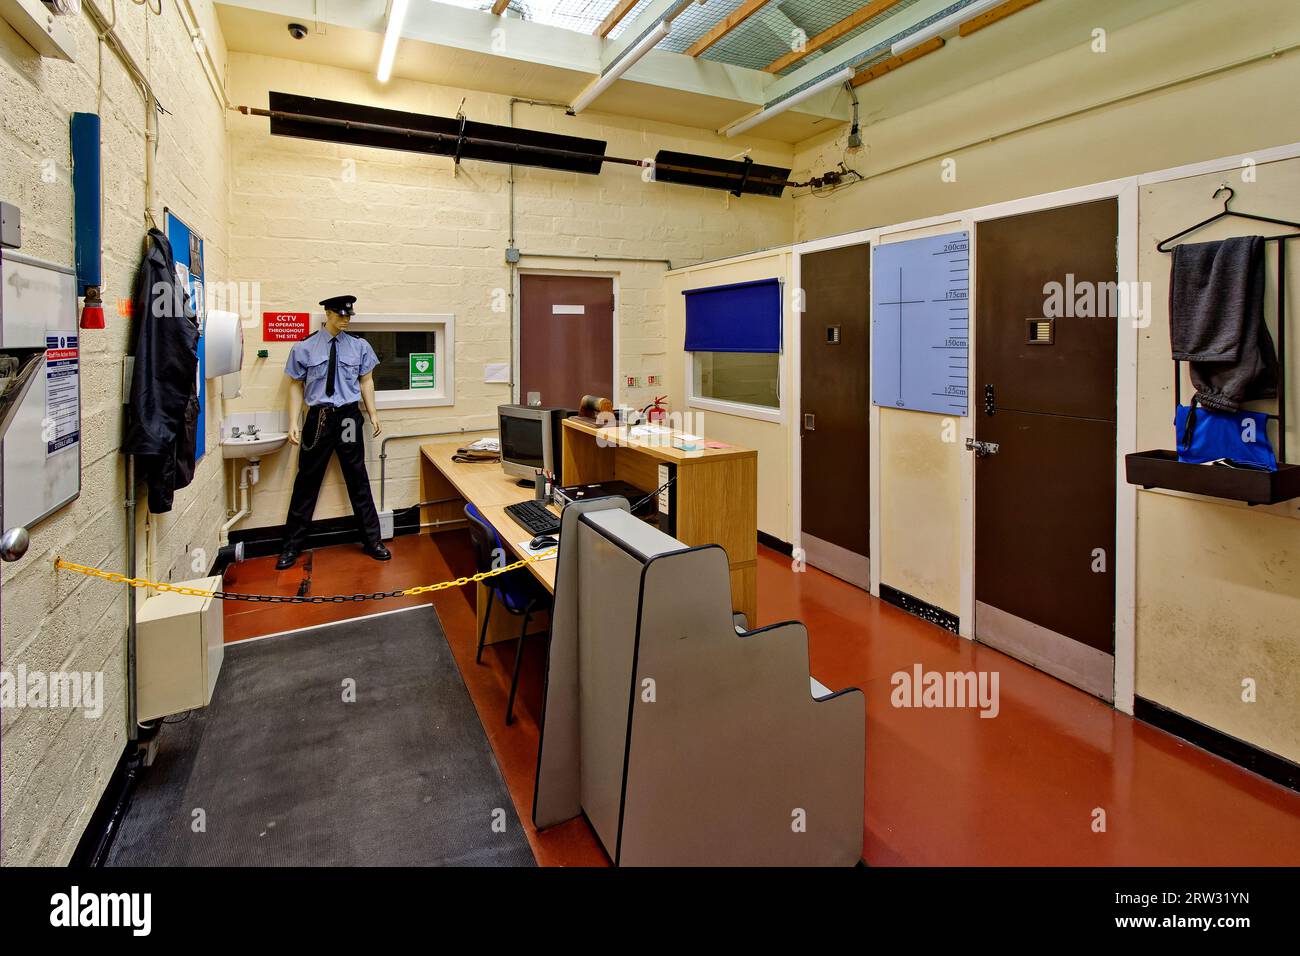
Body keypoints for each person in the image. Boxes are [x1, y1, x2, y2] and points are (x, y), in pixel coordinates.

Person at [276, 295, 391, 570]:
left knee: (357, 477)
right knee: (307, 481)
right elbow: (295, 385)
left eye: (349, 315)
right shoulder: (305, 347)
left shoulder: (359, 346)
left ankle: (372, 540)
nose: (346, 319)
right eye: (340, 315)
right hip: (319, 418)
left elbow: (367, 380)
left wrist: (373, 413)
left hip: (349, 417)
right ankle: (291, 546)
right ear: (327, 314)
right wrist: (294, 420)